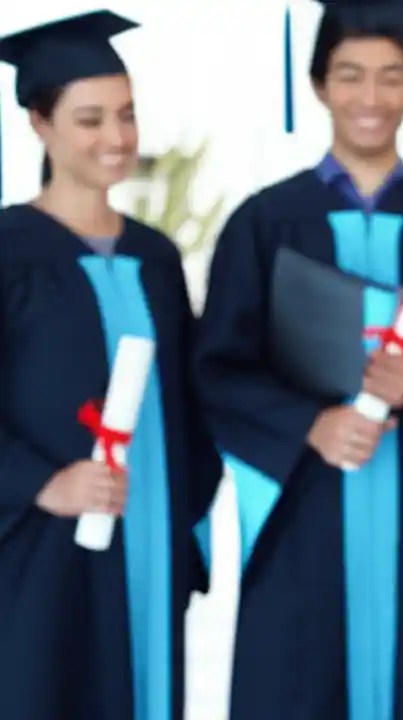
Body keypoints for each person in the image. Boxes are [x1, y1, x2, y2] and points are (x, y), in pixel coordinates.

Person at [192, 1, 403, 717]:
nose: (371, 99)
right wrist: (308, 424)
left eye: (391, 77)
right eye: (351, 75)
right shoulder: (265, 222)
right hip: (305, 509)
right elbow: (216, 370)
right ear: (319, 85)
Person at [0, 10, 222, 719]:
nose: (117, 139)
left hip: (150, 530)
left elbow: (191, 402)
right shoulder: (8, 250)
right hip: (41, 548)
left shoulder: (155, 257)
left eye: (126, 116)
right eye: (90, 120)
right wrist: (43, 482)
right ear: (41, 123)